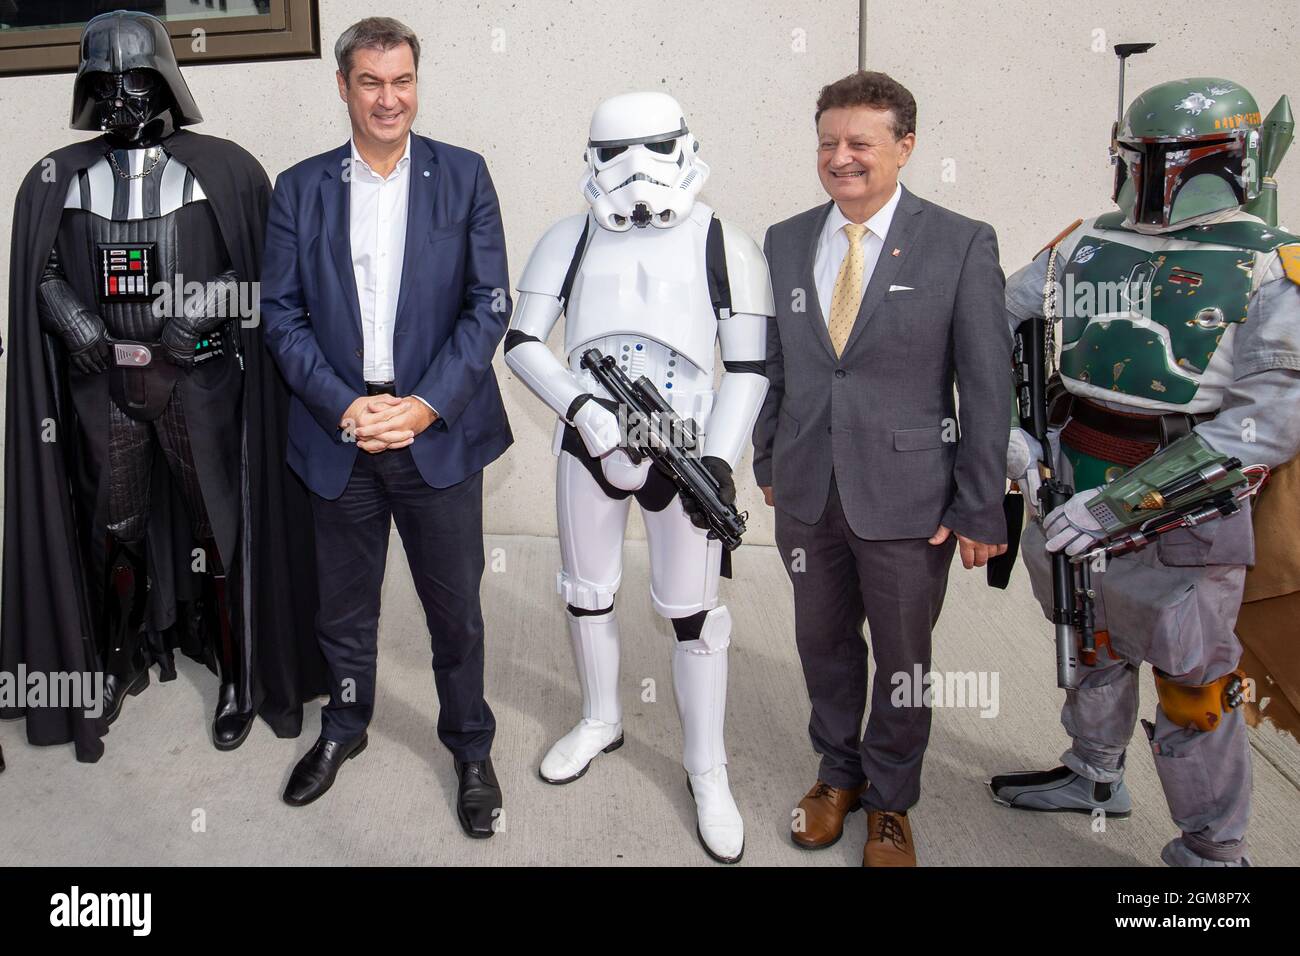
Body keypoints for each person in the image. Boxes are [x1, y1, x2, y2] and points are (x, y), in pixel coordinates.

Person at [991, 76, 1300, 867]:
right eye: (1139, 157)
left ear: (1233, 159)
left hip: (1186, 504)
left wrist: (1125, 505)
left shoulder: (1273, 267)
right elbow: (991, 321)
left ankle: (1213, 847)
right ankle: (1095, 773)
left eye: (1168, 159)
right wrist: (1012, 431)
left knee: (1194, 682)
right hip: (1067, 469)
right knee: (1088, 639)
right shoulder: (1086, 241)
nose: (1150, 176)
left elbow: (1265, 424)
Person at [1, 10, 323, 762]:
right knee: (114, 530)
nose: (122, 97)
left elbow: (260, 273)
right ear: (85, 90)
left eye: (137, 80)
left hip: (199, 380)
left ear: (167, 80)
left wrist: (202, 315)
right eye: (105, 83)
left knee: (220, 527)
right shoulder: (59, 177)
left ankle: (240, 673)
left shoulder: (227, 169)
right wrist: (71, 318)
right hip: (101, 379)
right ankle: (118, 657)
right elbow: (38, 271)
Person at [261, 17, 513, 839]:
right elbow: (281, 314)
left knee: (456, 613)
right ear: (343, 86)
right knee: (343, 609)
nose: (388, 98)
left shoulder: (465, 177)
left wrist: (426, 403)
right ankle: (344, 726)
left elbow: (488, 306)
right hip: (341, 431)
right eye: (370, 82)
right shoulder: (300, 188)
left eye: (401, 81)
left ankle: (471, 748)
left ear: (416, 83)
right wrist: (346, 406)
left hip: (434, 431)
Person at [504, 91, 772, 863]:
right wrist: (582, 406)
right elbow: (522, 340)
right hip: (589, 441)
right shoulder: (569, 237)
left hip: (685, 442)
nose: (635, 171)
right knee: (586, 593)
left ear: (685, 146)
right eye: (615, 153)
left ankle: (705, 767)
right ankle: (599, 718)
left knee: (694, 615)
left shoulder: (726, 242)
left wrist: (716, 462)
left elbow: (749, 367)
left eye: (654, 148)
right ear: (589, 157)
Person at [752, 71, 1010, 866]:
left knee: (903, 659)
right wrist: (767, 455)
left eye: (860, 143)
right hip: (806, 491)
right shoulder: (787, 238)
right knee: (823, 644)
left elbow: (986, 383)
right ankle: (839, 774)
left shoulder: (961, 241)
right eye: (829, 142)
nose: (841, 158)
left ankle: (892, 803)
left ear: (905, 147)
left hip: (909, 496)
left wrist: (978, 505)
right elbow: (776, 365)